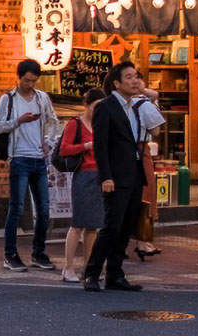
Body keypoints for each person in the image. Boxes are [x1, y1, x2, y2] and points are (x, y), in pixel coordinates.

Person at [83, 61, 146, 293]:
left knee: (127, 226)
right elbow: (101, 145)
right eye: (128, 77)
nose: (134, 80)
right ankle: (92, 273)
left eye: (136, 76)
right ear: (117, 83)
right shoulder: (106, 107)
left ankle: (115, 274)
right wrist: (105, 176)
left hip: (134, 175)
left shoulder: (137, 106)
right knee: (111, 226)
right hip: (115, 177)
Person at [0, 58, 58, 272]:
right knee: (17, 208)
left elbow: (52, 121)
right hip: (19, 158)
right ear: (19, 78)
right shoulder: (8, 99)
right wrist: (19, 121)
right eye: (27, 80)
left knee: (44, 210)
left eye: (34, 81)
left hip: (39, 159)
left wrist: (48, 142)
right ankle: (10, 254)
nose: (30, 85)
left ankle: (39, 253)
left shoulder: (42, 98)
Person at [59, 88, 105, 283]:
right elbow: (64, 149)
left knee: (93, 226)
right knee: (77, 224)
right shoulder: (75, 124)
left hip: (100, 175)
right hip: (83, 175)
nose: (98, 110)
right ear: (86, 105)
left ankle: (89, 267)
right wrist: (85, 147)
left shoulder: (102, 124)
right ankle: (68, 267)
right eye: (96, 107)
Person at [130, 86, 165, 261]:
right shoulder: (141, 103)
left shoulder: (119, 103)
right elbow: (156, 129)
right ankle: (142, 241)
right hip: (139, 150)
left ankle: (139, 241)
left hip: (130, 152)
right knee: (145, 196)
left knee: (139, 196)